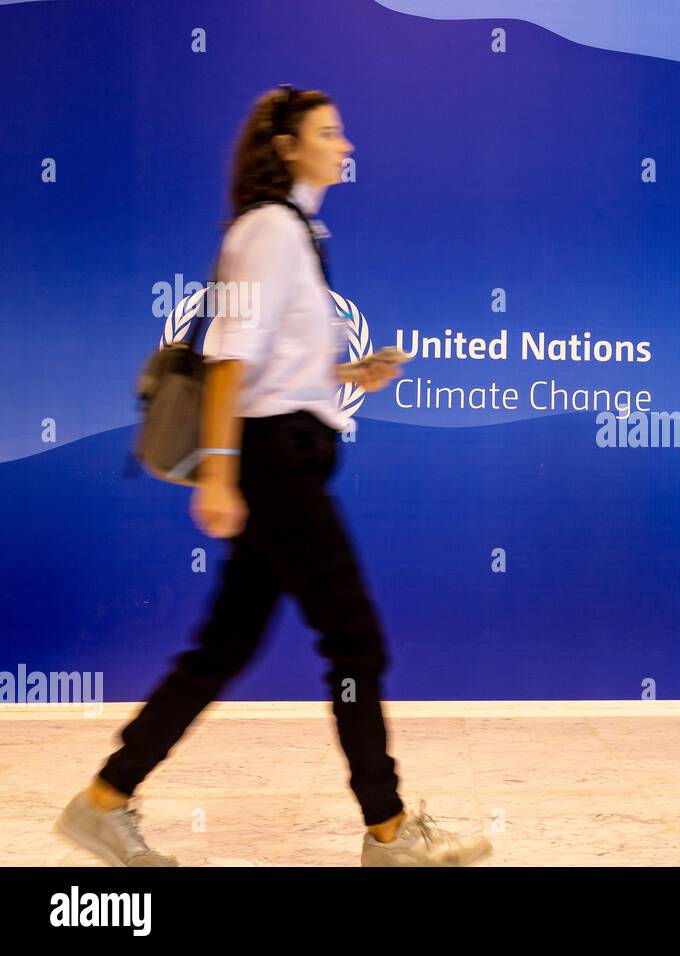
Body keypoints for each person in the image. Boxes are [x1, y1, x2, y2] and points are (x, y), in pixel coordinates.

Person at [54, 85, 492, 866]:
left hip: (286, 452)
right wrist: (221, 474)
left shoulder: (296, 234)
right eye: (329, 132)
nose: (346, 145)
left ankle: (105, 799)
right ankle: (389, 831)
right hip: (274, 465)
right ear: (287, 145)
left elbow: (277, 365)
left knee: (221, 649)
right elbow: (229, 360)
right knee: (355, 644)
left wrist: (351, 370)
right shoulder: (267, 230)